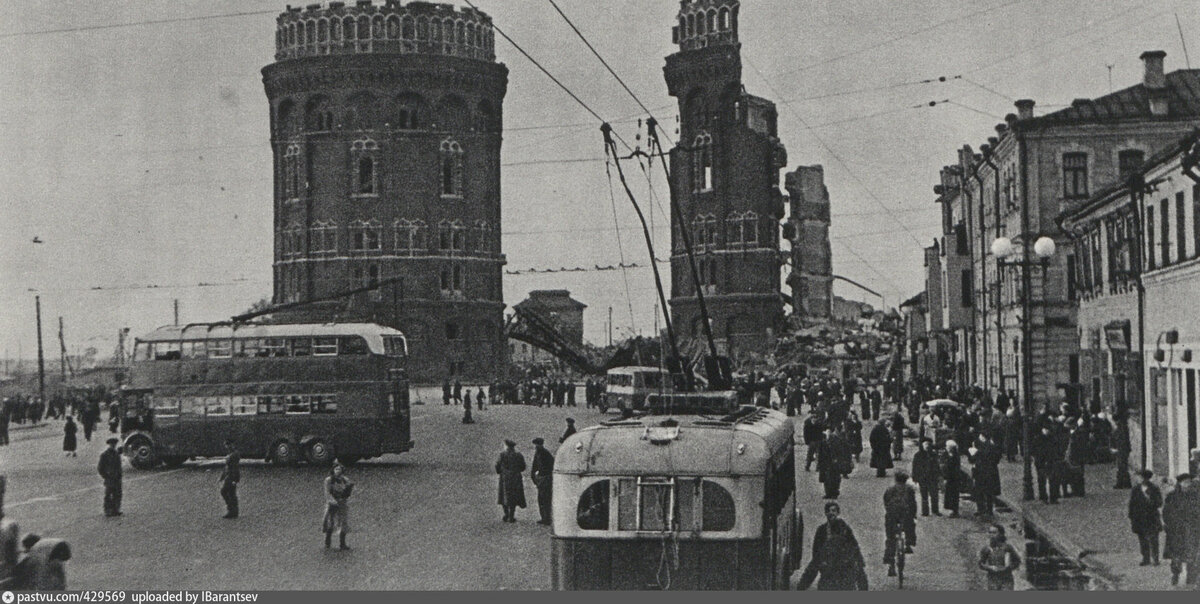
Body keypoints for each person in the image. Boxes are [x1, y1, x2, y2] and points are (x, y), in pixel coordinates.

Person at [797, 502, 869, 590]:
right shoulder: (821, 531)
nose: (831, 513)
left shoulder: (845, 530)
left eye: (834, 511)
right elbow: (816, 559)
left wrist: (863, 586)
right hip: (828, 578)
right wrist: (801, 587)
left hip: (845, 579)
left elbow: (856, 554)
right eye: (828, 511)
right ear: (825, 513)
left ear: (838, 513)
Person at [1162, 474, 1197, 586]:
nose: (1187, 485)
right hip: (1176, 530)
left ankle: (1191, 577)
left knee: (1192, 554)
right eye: (1185, 482)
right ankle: (1176, 574)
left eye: (1189, 482)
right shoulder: (1172, 496)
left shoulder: (1195, 496)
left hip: (1191, 530)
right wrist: (1169, 525)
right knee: (1176, 555)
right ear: (1180, 483)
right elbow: (1166, 512)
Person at [882, 471, 917, 577]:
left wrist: (888, 511)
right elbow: (913, 504)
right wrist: (913, 515)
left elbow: (886, 501)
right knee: (910, 526)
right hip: (905, 515)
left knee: (890, 537)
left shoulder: (890, 489)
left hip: (892, 515)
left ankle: (890, 563)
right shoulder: (909, 489)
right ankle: (909, 543)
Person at [1128, 469, 1163, 566]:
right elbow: (1132, 504)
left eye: (1144, 478)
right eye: (1141, 478)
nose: (1142, 480)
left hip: (1152, 518)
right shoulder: (1136, 490)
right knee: (1142, 539)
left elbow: (1159, 503)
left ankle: (1155, 558)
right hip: (1140, 518)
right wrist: (1131, 517)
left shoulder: (1154, 489)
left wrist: (1150, 500)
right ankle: (1146, 558)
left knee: (1154, 539)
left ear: (1148, 478)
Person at [978, 524, 1022, 590]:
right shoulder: (986, 549)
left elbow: (1017, 561)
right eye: (990, 532)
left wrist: (1007, 568)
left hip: (1006, 580)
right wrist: (989, 567)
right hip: (993, 580)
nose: (991, 535)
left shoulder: (1007, 547)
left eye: (994, 533)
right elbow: (981, 563)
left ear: (1001, 534)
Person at [322, 462, 354, 550]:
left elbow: (348, 491)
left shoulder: (345, 480)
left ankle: (342, 543)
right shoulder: (329, 480)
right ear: (333, 470)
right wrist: (332, 501)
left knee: (343, 522)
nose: (338, 471)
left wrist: (348, 490)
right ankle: (327, 542)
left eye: (339, 469)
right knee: (330, 522)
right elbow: (327, 493)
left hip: (342, 503)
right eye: (336, 469)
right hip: (332, 503)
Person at [969, 433, 1002, 517]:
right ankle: (989, 510)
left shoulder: (980, 448)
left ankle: (981, 509)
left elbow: (972, 459)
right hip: (991, 472)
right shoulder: (993, 446)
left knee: (979, 490)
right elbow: (997, 459)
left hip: (980, 471)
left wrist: (972, 453)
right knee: (989, 491)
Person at [495, 439, 527, 522]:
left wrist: (501, 472)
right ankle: (511, 516)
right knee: (514, 496)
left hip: (505, 478)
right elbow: (523, 467)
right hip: (516, 478)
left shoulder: (502, 455)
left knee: (504, 496)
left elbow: (497, 466)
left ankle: (506, 514)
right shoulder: (518, 455)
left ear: (506, 446)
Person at [911, 438, 941, 516]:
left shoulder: (934, 455)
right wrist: (915, 477)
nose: (927, 446)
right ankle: (925, 511)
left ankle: (935, 510)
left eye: (928, 444)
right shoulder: (918, 455)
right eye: (925, 444)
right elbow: (915, 467)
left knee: (934, 495)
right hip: (922, 478)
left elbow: (937, 466)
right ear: (922, 445)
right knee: (924, 495)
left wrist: (939, 475)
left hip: (932, 478)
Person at [1032, 425, 1061, 504]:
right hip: (1041, 462)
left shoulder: (1051, 438)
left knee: (1052, 479)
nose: (1047, 431)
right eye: (1046, 429)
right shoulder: (1039, 439)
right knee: (1042, 480)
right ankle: (1044, 497)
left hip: (1050, 461)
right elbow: (1035, 451)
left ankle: (1052, 497)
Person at [817, 426, 848, 499]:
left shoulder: (837, 441)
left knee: (835, 479)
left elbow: (841, 452)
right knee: (826, 479)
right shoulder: (823, 442)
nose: (828, 434)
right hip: (826, 463)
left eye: (829, 432)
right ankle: (828, 493)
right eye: (827, 432)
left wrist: (838, 460)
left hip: (834, 464)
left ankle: (835, 493)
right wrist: (819, 464)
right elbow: (820, 453)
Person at [531, 438, 554, 526]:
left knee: (546, 499)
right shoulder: (538, 453)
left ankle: (547, 518)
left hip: (546, 478)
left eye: (537, 445)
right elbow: (534, 466)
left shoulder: (545, 453)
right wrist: (533, 477)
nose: (536, 446)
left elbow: (551, 465)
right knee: (541, 499)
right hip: (541, 479)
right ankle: (544, 518)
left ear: (541, 444)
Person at [98, 438, 123, 517]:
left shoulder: (116, 454)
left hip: (117, 478)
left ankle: (116, 509)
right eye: (112, 444)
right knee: (108, 494)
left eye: (114, 444)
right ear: (109, 445)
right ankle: (108, 510)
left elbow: (119, 466)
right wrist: (106, 476)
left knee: (117, 494)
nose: (113, 446)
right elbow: (100, 468)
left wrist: (119, 475)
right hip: (109, 478)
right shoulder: (104, 455)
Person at [220, 440, 240, 519]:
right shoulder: (232, 453)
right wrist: (223, 476)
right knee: (231, 493)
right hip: (229, 476)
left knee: (224, 491)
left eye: (227, 445)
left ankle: (231, 510)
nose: (226, 447)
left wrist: (234, 479)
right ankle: (234, 511)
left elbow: (234, 468)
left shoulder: (234, 454)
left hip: (231, 476)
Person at [943, 440, 962, 517]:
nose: (946, 448)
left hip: (953, 478)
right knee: (950, 494)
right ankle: (952, 510)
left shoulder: (955, 456)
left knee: (953, 494)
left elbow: (953, 468)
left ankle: (955, 511)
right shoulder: (949, 455)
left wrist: (947, 477)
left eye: (947, 446)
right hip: (951, 478)